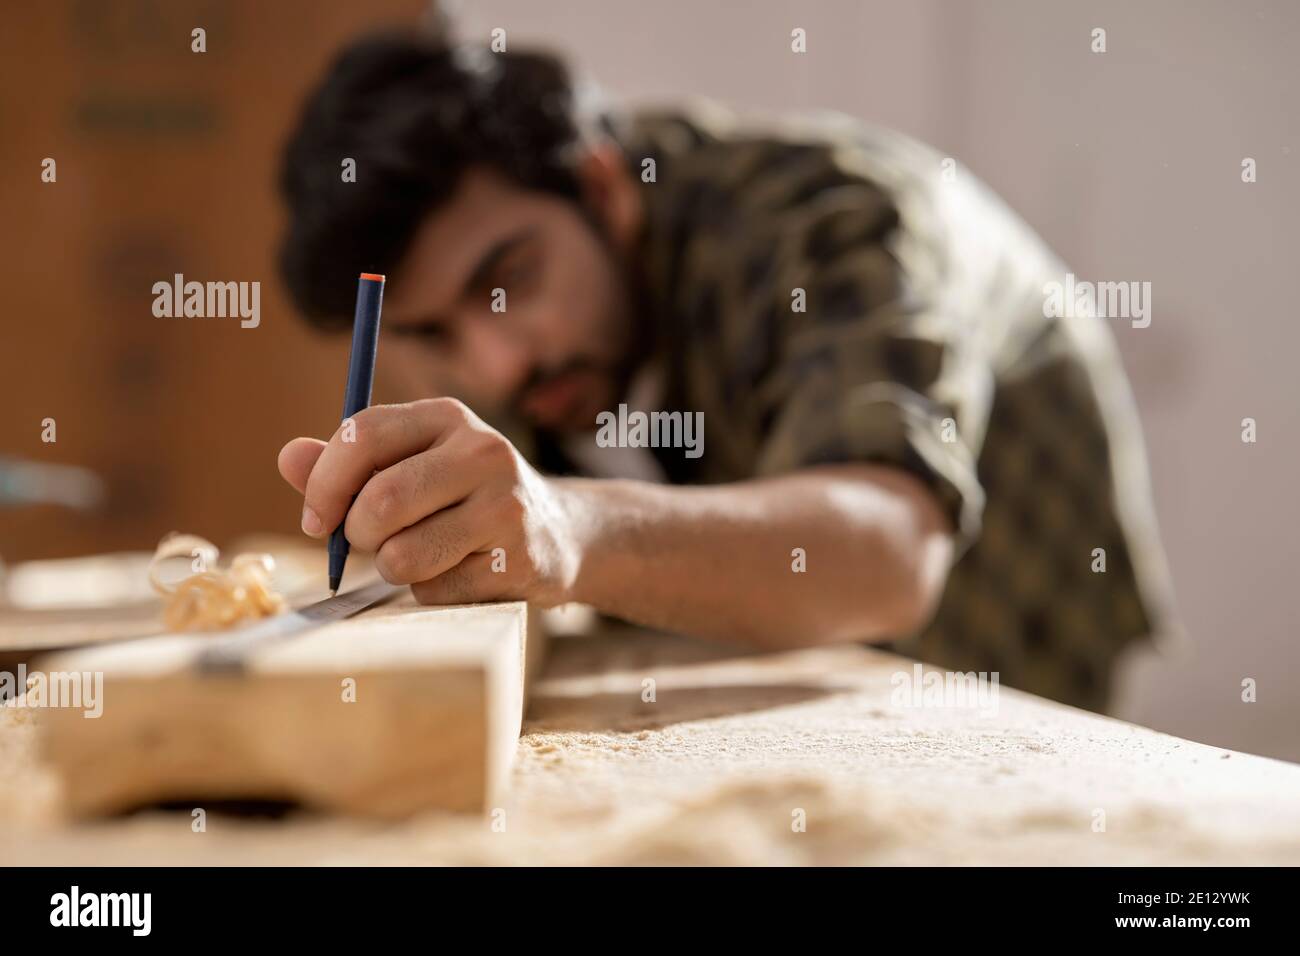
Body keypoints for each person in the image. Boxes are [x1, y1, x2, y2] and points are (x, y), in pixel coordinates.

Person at [274, 25, 1175, 711]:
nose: (498, 359)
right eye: (435, 332)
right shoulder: (548, 325)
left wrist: (568, 527)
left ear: (602, 187)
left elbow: (892, 551)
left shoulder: (835, 215)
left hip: (1012, 623)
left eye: (510, 280)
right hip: (806, 648)